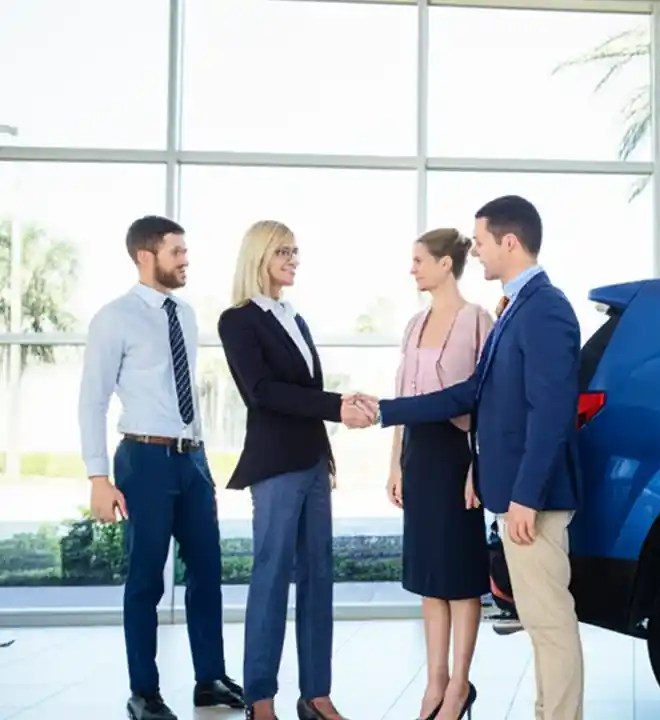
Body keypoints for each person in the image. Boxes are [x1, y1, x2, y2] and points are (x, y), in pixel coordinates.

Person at [353, 195, 585, 720]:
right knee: (540, 621)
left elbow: (551, 413)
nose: (474, 251)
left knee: (549, 623)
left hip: (533, 500)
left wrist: (526, 496)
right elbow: (469, 394)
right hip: (513, 495)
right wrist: (386, 410)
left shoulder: (544, 308)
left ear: (510, 241)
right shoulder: (516, 308)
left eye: (480, 242)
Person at [78, 215, 244, 720]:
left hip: (191, 459)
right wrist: (98, 477)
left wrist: (199, 453)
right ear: (145, 256)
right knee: (147, 579)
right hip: (143, 459)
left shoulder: (186, 314)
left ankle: (209, 679)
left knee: (208, 571)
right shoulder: (114, 318)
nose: (186, 259)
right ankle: (144, 692)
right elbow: (92, 400)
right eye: (177, 252)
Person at [217, 220, 369, 720]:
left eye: (296, 252)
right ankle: (260, 699)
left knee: (319, 577)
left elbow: (302, 394)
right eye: (283, 251)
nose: (293, 260)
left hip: (310, 462)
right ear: (258, 257)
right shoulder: (238, 320)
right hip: (275, 464)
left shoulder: (294, 319)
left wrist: (326, 454)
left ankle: (316, 694)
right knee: (272, 577)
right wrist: (335, 405)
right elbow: (262, 391)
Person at [386, 228, 494, 720]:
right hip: (418, 454)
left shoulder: (478, 321)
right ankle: (434, 685)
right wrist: (395, 463)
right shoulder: (413, 324)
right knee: (430, 577)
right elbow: (402, 399)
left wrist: (480, 466)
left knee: (460, 578)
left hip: (458, 455)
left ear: (446, 263)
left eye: (419, 260)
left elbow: (489, 402)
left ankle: (459, 689)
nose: (412, 269)